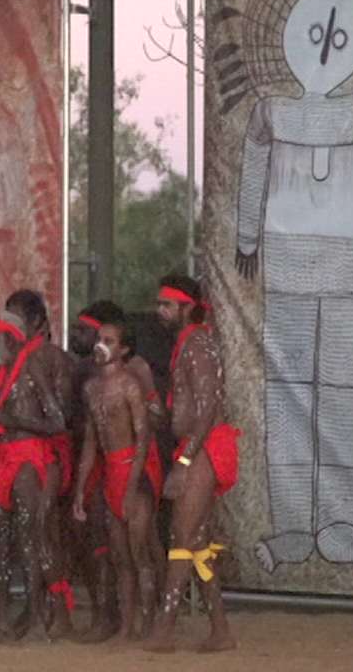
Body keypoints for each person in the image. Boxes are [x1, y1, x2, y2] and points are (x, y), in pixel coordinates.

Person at [144, 274, 239, 654]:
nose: (160, 311)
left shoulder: (197, 343)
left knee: (181, 536)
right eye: (159, 304)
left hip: (203, 448)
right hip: (196, 446)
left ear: (187, 308)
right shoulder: (190, 342)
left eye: (166, 305)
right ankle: (220, 630)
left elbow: (208, 406)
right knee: (195, 539)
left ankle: (164, 628)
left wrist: (184, 460)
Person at [0, 312, 67, 642]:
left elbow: (57, 422)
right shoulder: (0, 375)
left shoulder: (32, 370)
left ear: (11, 341)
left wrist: (12, 421)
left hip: (27, 458)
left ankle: (37, 620)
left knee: (29, 538)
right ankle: (1, 620)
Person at [73, 319, 164, 642]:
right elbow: (90, 442)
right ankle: (126, 626)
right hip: (111, 471)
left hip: (131, 470)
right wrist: (80, 491)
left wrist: (132, 486)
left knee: (140, 555)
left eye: (109, 341)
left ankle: (148, 624)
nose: (100, 345)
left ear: (124, 350)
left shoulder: (129, 385)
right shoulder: (91, 388)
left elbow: (142, 439)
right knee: (120, 557)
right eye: (100, 339)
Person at [3, 290, 75, 637]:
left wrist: (11, 421)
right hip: (21, 455)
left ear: (36, 323)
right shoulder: (15, 357)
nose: (10, 325)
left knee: (42, 534)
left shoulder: (47, 357)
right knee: (30, 536)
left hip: (43, 455)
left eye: (16, 319)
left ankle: (56, 613)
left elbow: (60, 420)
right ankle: (37, 610)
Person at [66, 300, 127, 642]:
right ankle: (105, 614)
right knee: (91, 541)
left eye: (83, 330)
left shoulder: (123, 376)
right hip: (88, 463)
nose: (75, 334)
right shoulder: (83, 371)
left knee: (110, 544)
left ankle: (117, 617)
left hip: (114, 466)